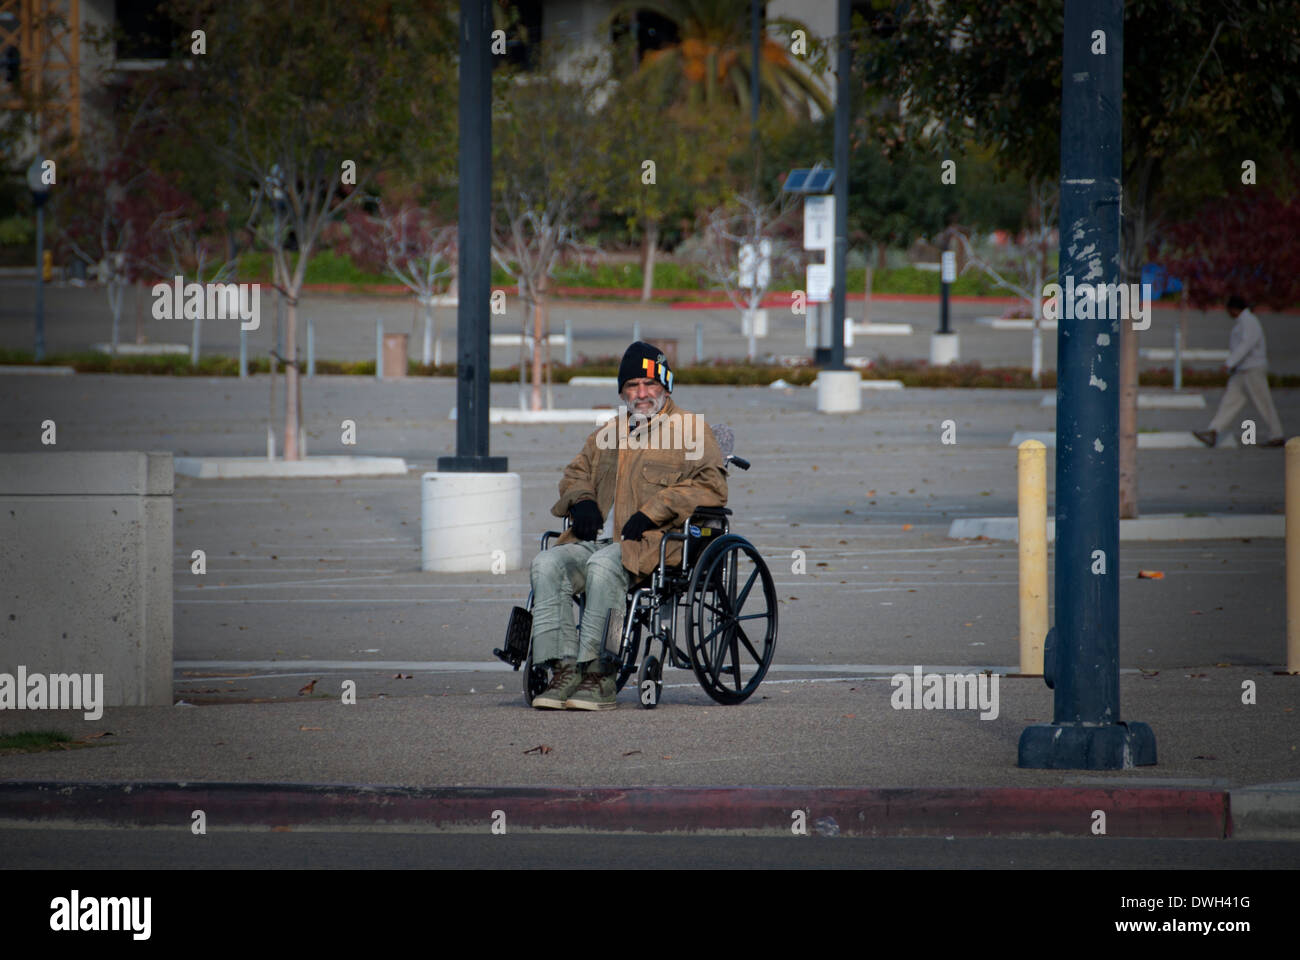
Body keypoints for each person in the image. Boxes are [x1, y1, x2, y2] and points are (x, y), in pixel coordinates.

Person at [528, 341, 728, 710]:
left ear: (665, 386)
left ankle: (600, 671)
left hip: (656, 543)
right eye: (632, 385)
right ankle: (564, 667)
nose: (641, 393)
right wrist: (583, 500)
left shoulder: (692, 430)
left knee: (604, 567)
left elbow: (711, 487)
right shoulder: (609, 432)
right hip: (601, 541)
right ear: (622, 391)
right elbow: (575, 473)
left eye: (649, 384)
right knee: (547, 563)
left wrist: (653, 510)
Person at [1193, 295, 1286, 448]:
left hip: (1252, 370)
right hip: (1242, 371)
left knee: (1264, 403)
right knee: (1229, 402)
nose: (1228, 313)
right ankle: (1213, 431)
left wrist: (1229, 363)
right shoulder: (1243, 322)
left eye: (1228, 309)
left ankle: (1277, 435)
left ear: (1234, 309)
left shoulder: (1250, 322)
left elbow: (1246, 345)